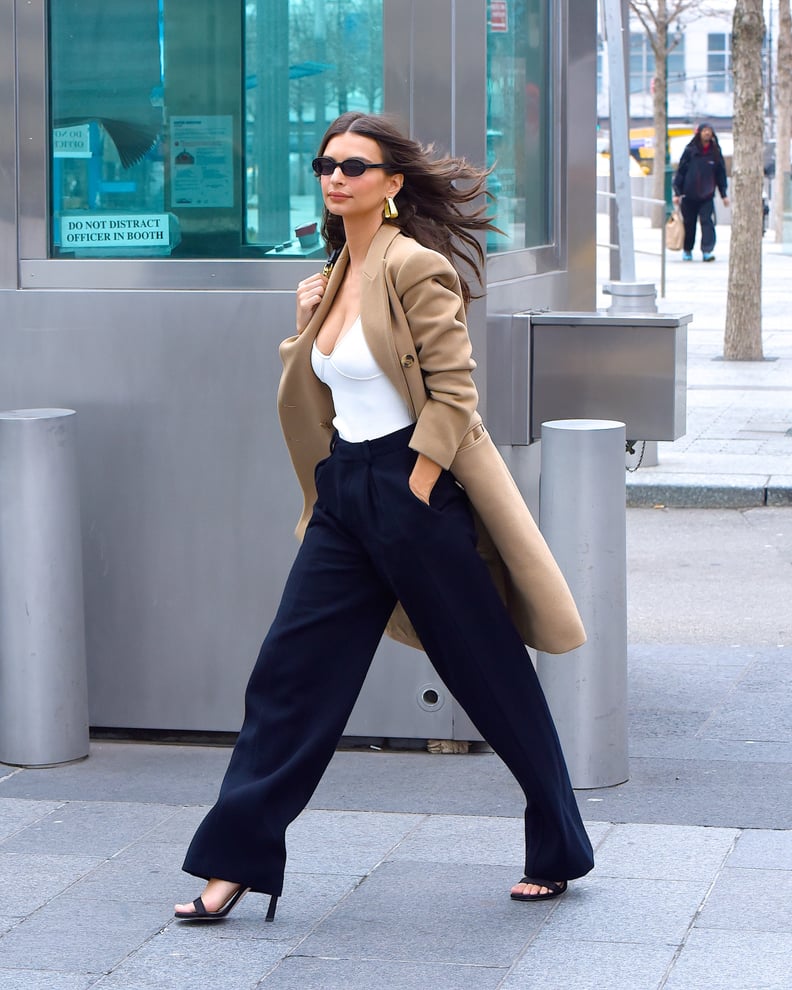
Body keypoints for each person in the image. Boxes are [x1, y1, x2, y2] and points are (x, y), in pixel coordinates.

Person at [174, 112, 594, 923]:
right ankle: (235, 860)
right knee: (288, 679)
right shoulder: (332, 270)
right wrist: (304, 331)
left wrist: (418, 482)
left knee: (491, 677)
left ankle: (559, 844)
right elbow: (329, 385)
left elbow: (454, 392)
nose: (336, 178)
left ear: (391, 183)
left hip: (411, 492)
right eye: (325, 164)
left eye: (355, 167)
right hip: (345, 496)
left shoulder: (415, 267)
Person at [672, 122, 730, 262]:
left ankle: (707, 250)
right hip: (689, 195)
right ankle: (687, 250)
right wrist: (677, 192)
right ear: (699, 133)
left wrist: (724, 194)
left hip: (707, 195)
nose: (707, 133)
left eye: (709, 131)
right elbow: (681, 172)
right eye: (705, 131)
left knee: (707, 222)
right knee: (689, 224)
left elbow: (720, 174)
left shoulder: (715, 152)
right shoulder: (690, 151)